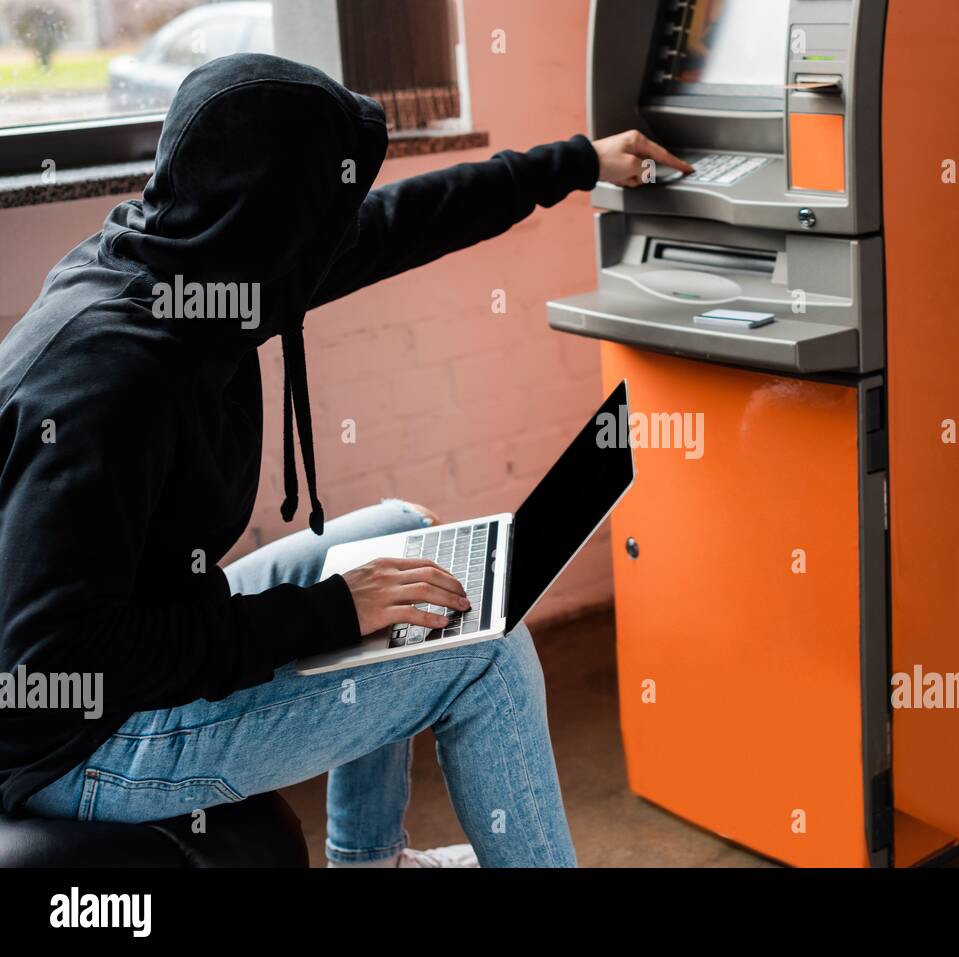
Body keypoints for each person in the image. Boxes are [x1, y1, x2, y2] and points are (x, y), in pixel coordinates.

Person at [0, 54, 691, 867]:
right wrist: (332, 611)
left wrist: (576, 162)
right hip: (81, 744)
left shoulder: (198, 254)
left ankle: (370, 857)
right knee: (484, 650)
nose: (340, 230)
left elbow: (401, 223)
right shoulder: (111, 381)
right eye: (326, 208)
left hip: (151, 638)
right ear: (280, 219)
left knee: (401, 536)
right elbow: (53, 659)